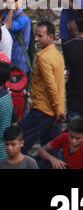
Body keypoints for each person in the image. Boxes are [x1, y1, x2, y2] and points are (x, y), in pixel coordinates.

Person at [23, 20, 64, 152]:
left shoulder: (44, 58)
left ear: (50, 36)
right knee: (50, 150)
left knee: (19, 143)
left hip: (44, 109)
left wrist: (58, 109)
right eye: (36, 35)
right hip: (55, 109)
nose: (36, 39)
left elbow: (51, 85)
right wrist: (59, 109)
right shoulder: (57, 55)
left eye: (40, 36)